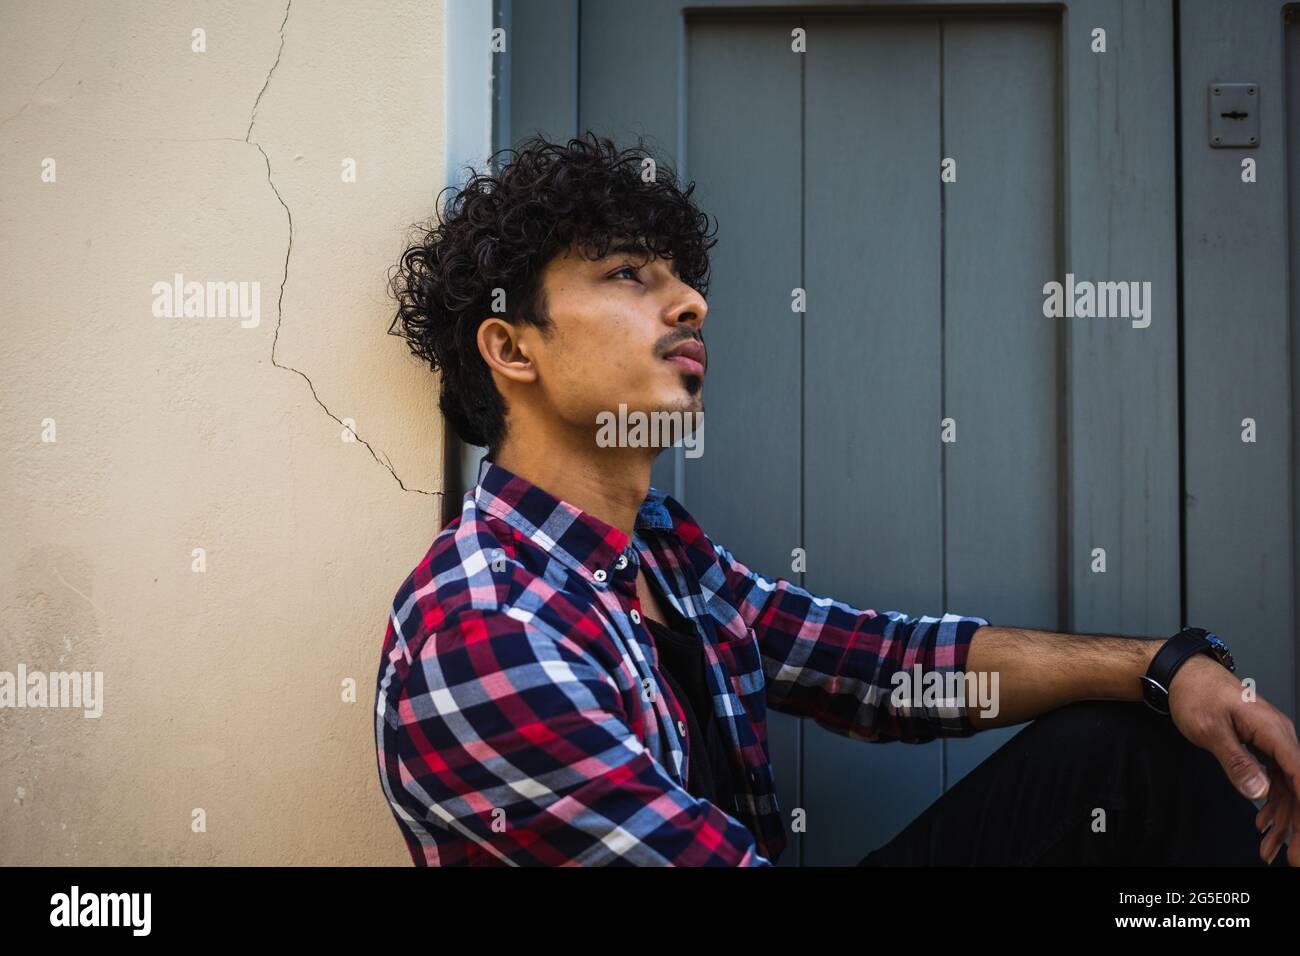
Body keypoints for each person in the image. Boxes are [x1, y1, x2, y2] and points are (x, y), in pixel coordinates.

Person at [374, 132, 1299, 866]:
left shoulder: (661, 556)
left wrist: (1166, 667)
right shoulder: (487, 624)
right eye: (628, 274)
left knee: (1136, 746)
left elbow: (886, 670)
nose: (692, 302)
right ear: (512, 349)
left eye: (683, 277)